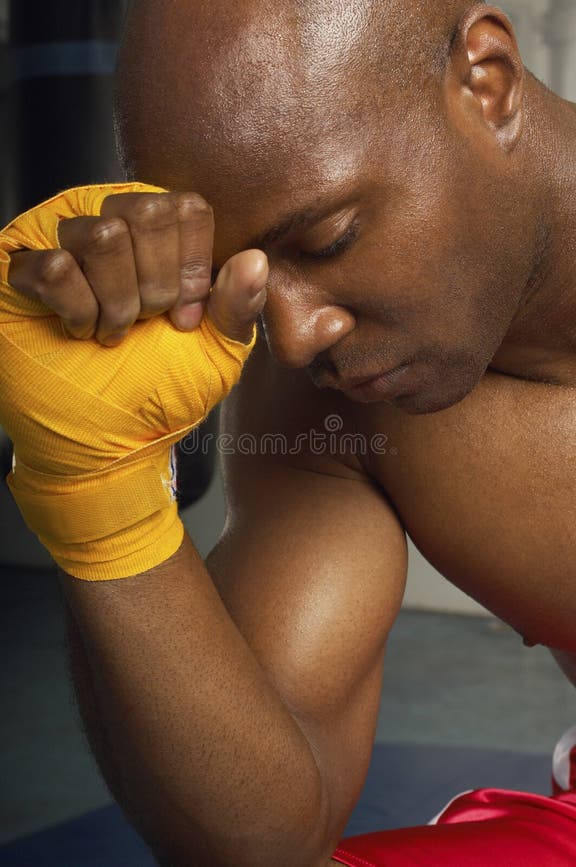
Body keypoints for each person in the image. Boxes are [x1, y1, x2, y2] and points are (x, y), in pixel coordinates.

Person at [1, 0, 576, 864]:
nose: (297, 335)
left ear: (486, 83)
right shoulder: (331, 400)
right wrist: (99, 494)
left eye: (330, 238)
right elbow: (263, 842)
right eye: (252, 280)